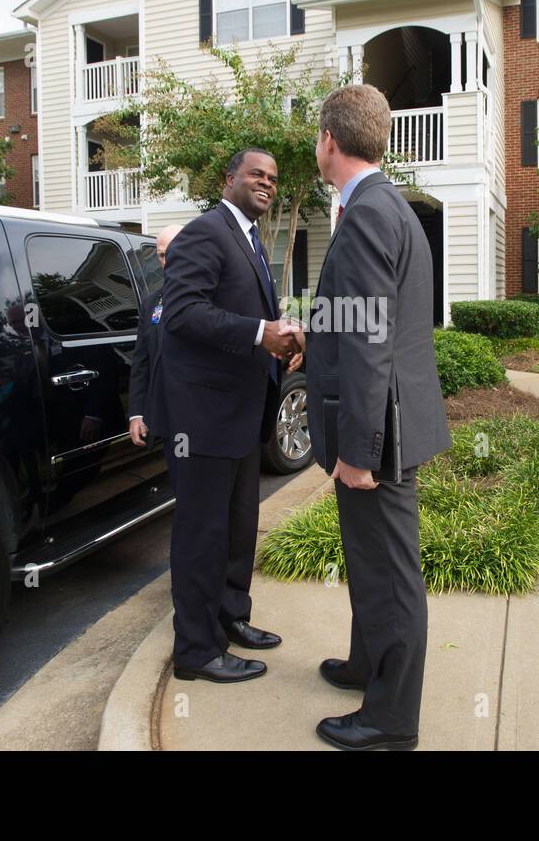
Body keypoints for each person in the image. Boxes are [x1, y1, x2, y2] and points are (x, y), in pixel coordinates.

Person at [284, 84, 450, 751]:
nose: (316, 148)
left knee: (388, 574)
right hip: (391, 421)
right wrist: (313, 332)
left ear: (330, 139)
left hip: (378, 435)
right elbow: (363, 323)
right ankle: (365, 664)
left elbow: (369, 342)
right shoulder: (389, 205)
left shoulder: (365, 214)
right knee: (369, 561)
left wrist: (357, 449)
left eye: (317, 139)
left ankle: (390, 718)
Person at [147, 149, 298, 682]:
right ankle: (196, 650)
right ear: (228, 178)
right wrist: (261, 333)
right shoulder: (204, 233)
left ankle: (232, 617)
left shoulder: (250, 240)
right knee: (202, 535)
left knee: (238, 527)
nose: (267, 183)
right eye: (257, 174)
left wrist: (277, 342)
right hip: (203, 418)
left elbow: (239, 313)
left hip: (239, 411)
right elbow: (183, 314)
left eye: (274, 178)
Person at [128, 224, 182, 448]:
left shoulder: (214, 295)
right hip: (167, 420)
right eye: (161, 254)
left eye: (173, 251)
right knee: (179, 481)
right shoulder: (152, 303)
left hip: (205, 419)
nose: (166, 260)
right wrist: (136, 414)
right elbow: (141, 360)